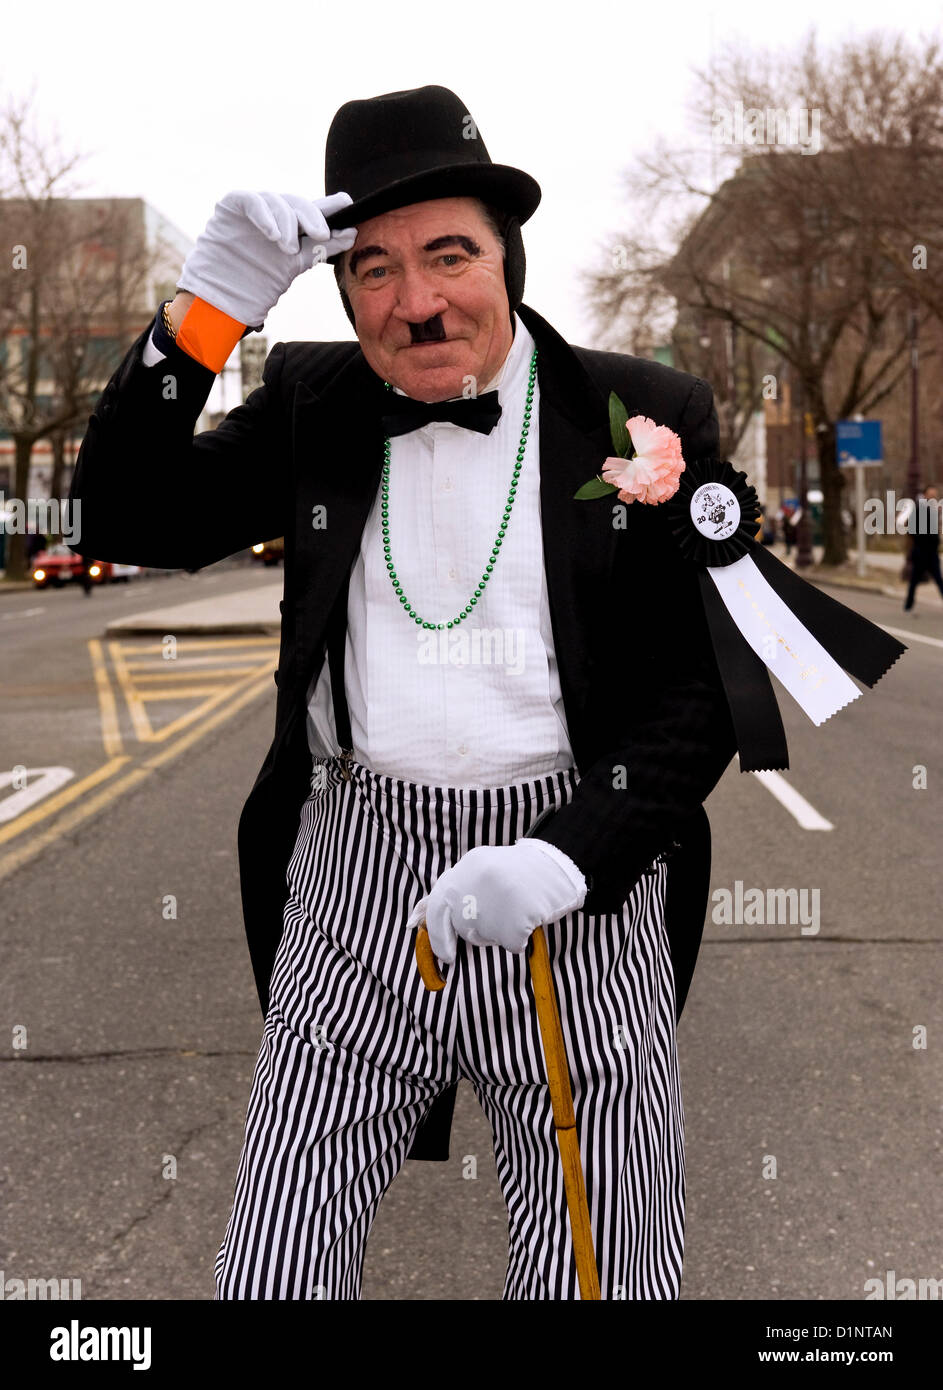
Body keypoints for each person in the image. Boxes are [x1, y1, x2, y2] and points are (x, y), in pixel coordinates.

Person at [70, 85, 751, 1301]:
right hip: (352, 879)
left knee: (605, 1276)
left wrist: (576, 852)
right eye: (373, 269)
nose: (417, 301)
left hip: (572, 883)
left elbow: (699, 688)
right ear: (339, 292)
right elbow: (128, 514)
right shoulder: (315, 404)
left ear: (507, 258)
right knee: (272, 1264)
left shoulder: (641, 416)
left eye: (449, 255)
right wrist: (207, 316)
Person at [903, 485, 943, 612]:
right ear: (925, 496)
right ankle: (908, 604)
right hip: (921, 552)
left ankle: (908, 604)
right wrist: (925, 538)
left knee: (938, 579)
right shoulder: (919, 510)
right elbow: (910, 529)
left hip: (932, 553)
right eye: (931, 495)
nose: (933, 498)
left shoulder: (934, 510)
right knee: (915, 580)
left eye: (934, 496)